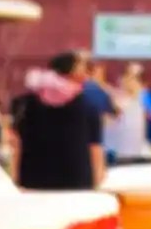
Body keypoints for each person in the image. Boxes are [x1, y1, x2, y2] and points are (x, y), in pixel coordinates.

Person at [9, 50, 105, 190]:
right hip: (76, 181)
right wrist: (98, 180)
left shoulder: (25, 102)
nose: (87, 70)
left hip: (34, 179)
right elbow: (94, 146)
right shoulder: (87, 103)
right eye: (82, 65)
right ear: (71, 70)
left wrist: (15, 178)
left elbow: (16, 143)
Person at [104, 62, 150, 163]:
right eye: (128, 76)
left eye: (135, 78)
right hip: (117, 155)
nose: (129, 81)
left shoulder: (142, 100)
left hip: (130, 156)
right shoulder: (118, 100)